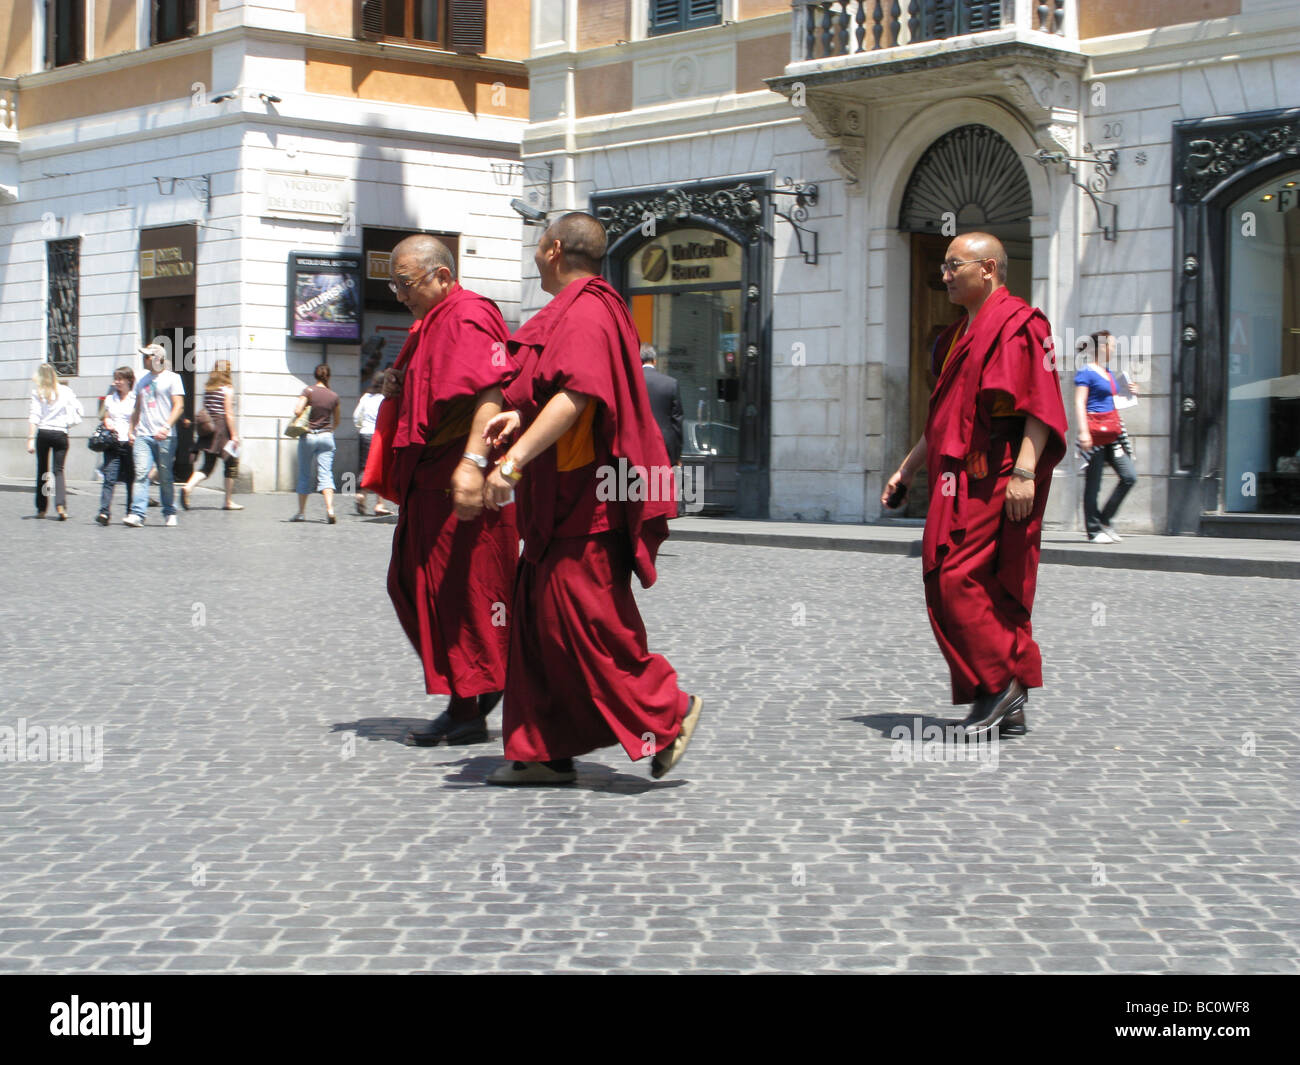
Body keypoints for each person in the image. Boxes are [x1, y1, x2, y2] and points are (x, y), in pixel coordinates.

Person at [482, 212, 703, 785]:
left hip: (586, 502)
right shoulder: (590, 308)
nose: (535, 255)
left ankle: (668, 714)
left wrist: (513, 462)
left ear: (554, 249)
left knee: (586, 624)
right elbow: (556, 392)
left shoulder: (584, 310)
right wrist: (518, 414)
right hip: (564, 503)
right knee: (539, 623)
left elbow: (577, 397)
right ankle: (543, 752)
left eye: (537, 245)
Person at [882, 232, 1067, 738]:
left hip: (997, 471)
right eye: (943, 266)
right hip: (952, 476)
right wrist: (908, 470)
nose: (943, 275)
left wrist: (1025, 472)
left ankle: (998, 688)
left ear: (987, 269)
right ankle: (1009, 696)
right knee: (959, 578)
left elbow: (1041, 406)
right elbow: (943, 419)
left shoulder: (1022, 326)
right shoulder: (952, 338)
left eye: (952, 266)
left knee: (954, 576)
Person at [363, 234, 517, 747]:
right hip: (430, 479)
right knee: (413, 583)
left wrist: (473, 463)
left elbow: (490, 390)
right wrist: (398, 384)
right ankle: (477, 691)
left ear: (443, 276)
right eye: (395, 285)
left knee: (465, 590)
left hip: (457, 477)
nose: (399, 294)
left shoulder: (469, 313)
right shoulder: (431, 322)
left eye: (405, 283)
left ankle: (472, 702)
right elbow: (438, 385)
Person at [1074, 330, 1137, 543]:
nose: (1114, 349)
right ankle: (1093, 530)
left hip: (1113, 433)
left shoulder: (1108, 372)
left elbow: (1113, 400)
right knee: (1094, 484)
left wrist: (1129, 391)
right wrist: (1083, 432)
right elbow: (1080, 402)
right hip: (1094, 434)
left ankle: (1104, 520)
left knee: (1129, 477)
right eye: (1112, 345)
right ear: (1101, 347)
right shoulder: (1086, 372)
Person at [125, 344, 184, 528]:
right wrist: (131, 430)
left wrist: (166, 427)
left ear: (158, 358)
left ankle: (169, 511)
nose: (144, 360)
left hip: (165, 435)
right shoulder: (141, 380)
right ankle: (137, 514)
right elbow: (137, 408)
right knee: (142, 474)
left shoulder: (173, 378)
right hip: (144, 434)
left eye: (147, 357)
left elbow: (179, 406)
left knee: (165, 475)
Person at [181, 359, 243, 511]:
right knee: (231, 464)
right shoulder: (227, 389)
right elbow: (228, 413)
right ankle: (228, 501)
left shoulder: (208, 388)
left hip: (209, 430)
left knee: (207, 466)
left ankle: (188, 487)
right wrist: (234, 435)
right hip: (222, 430)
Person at [26, 363, 84, 520]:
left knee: (43, 471)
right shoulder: (65, 391)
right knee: (58, 470)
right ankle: (60, 506)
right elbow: (79, 409)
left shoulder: (38, 392)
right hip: (60, 433)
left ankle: (42, 508)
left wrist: (30, 438)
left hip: (44, 433)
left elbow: (34, 416)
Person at [291, 364, 340, 523]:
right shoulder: (333, 396)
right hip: (326, 436)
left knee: (305, 473)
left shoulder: (308, 391)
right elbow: (337, 420)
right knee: (326, 474)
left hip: (308, 436)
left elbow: (297, 411)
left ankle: (301, 513)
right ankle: (330, 509)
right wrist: (329, 430)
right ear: (329, 376)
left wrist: (307, 408)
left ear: (315, 375)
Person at [96, 366, 136, 525]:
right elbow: (104, 417)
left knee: (131, 479)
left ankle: (131, 511)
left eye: (120, 379)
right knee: (109, 478)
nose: (116, 382)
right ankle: (104, 512)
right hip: (113, 443)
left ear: (128, 380)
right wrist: (107, 422)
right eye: (115, 379)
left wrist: (134, 433)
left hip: (130, 442)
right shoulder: (110, 398)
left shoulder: (135, 398)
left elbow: (139, 418)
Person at [353, 372, 391, 516]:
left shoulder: (366, 397)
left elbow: (356, 416)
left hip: (365, 434)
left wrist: (360, 427)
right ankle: (379, 504)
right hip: (379, 435)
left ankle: (361, 495)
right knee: (380, 468)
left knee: (365, 466)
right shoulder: (384, 399)